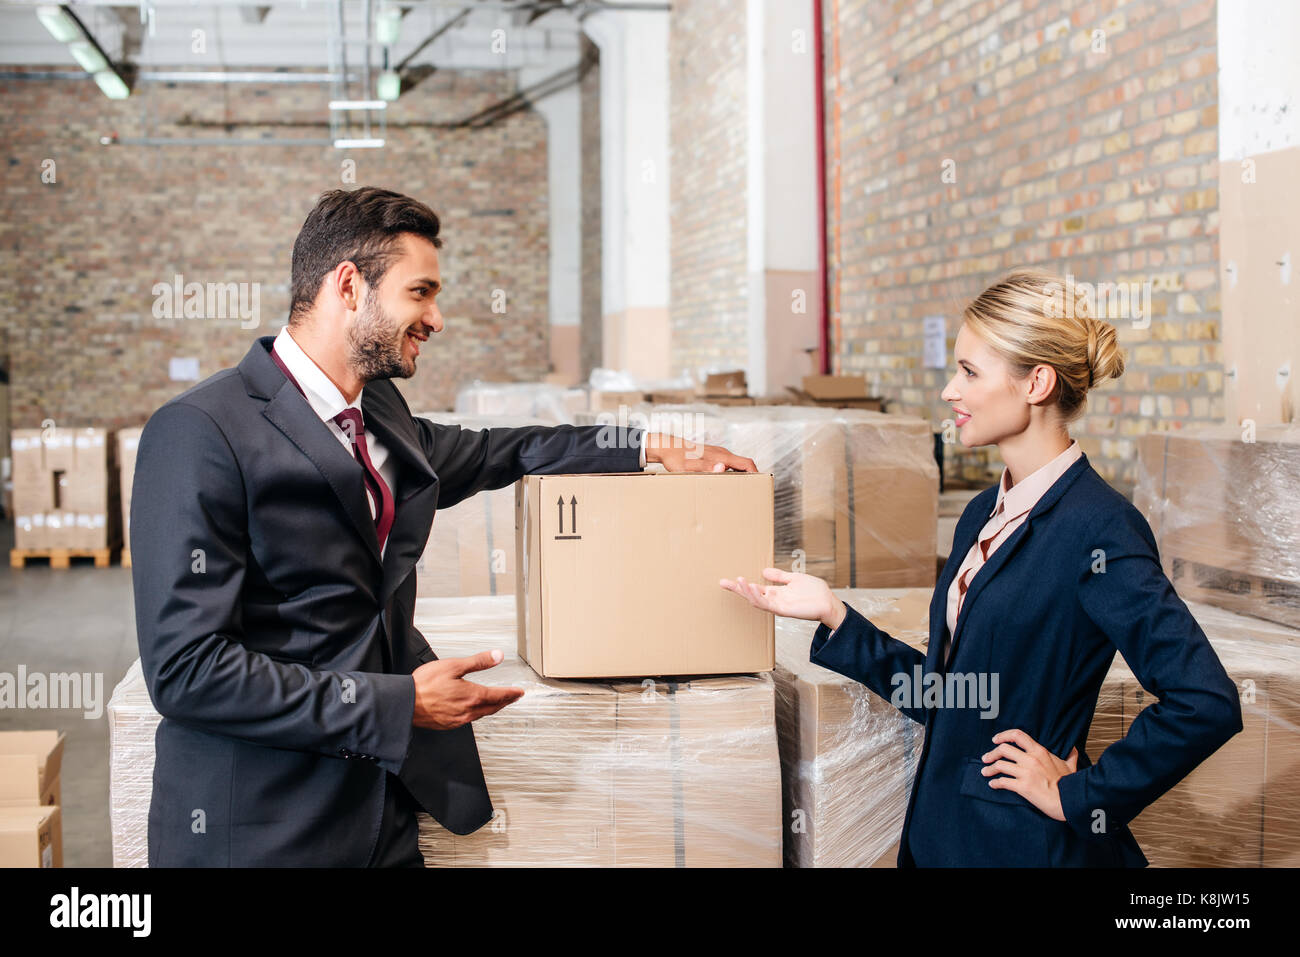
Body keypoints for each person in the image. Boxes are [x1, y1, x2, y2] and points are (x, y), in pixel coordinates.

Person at [131, 186, 756, 867]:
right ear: (348, 285)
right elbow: (188, 671)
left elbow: (501, 450)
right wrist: (397, 705)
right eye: (420, 292)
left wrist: (650, 446)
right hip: (260, 827)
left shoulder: (382, 414)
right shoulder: (200, 431)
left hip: (381, 808)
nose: (436, 316)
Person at [720, 268, 1243, 867]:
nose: (949, 390)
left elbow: (1205, 702)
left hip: (1020, 847)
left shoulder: (1099, 529)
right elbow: (956, 697)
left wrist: (1080, 794)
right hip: (945, 837)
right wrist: (836, 615)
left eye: (969, 372)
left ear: (1036, 383)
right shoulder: (980, 514)